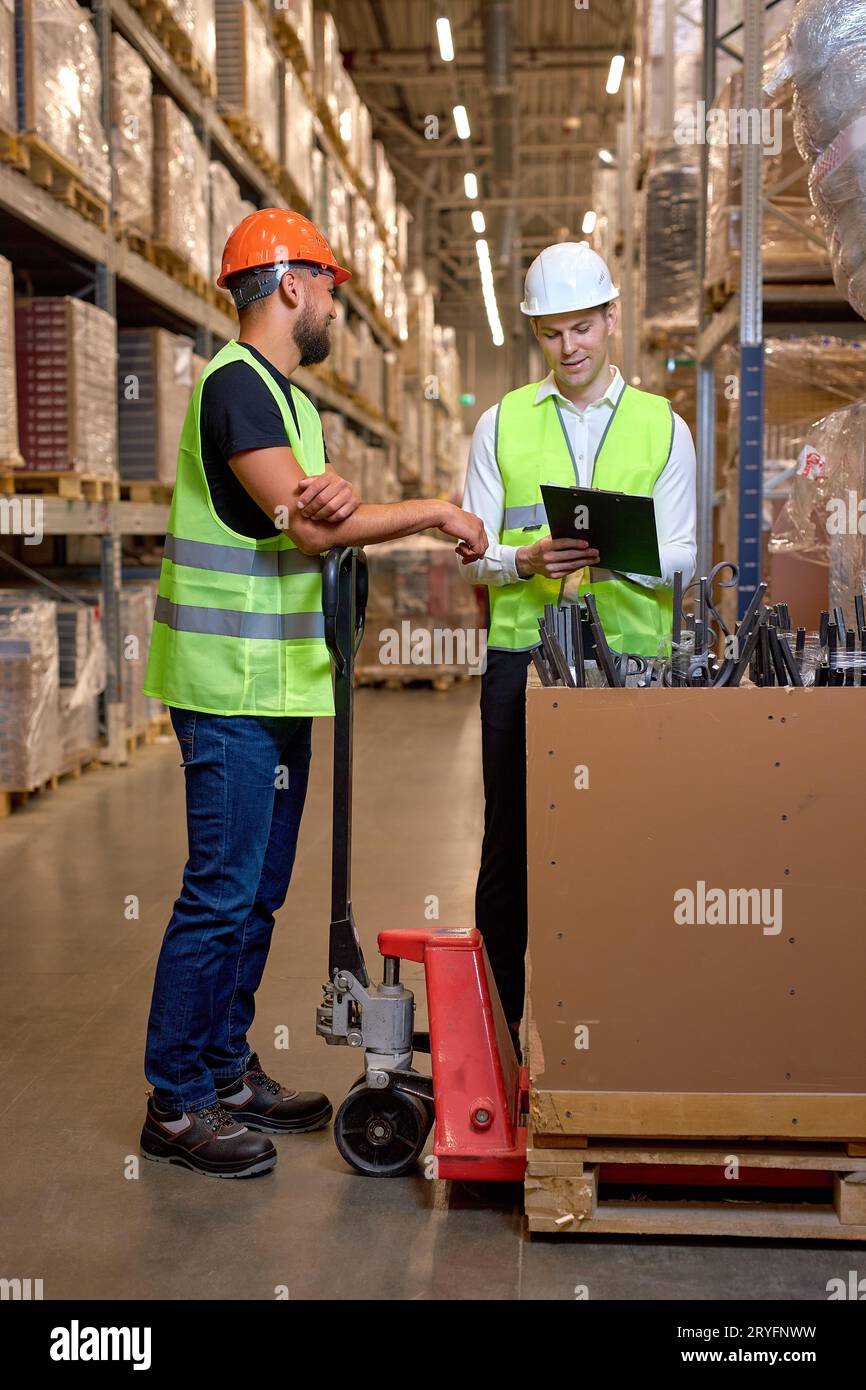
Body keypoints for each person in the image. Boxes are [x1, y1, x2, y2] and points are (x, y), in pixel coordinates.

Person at [140, 208, 488, 1177]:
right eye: (330, 285)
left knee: (257, 892)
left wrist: (322, 498)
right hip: (227, 688)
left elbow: (304, 508)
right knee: (218, 892)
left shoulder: (288, 401)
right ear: (291, 285)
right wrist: (422, 508)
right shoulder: (239, 389)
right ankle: (173, 1101)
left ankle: (222, 1066)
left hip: (279, 683)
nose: (334, 302)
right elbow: (306, 527)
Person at [461, 241, 697, 1053]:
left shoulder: (664, 426)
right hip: (522, 663)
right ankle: (501, 1035)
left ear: (612, 318)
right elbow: (476, 551)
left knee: (624, 845)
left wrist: (613, 548)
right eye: (553, 333)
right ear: (538, 335)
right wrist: (524, 557)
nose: (572, 349)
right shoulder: (500, 424)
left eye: (585, 328)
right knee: (511, 851)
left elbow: (687, 555)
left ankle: (618, 1034)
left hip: (630, 668)